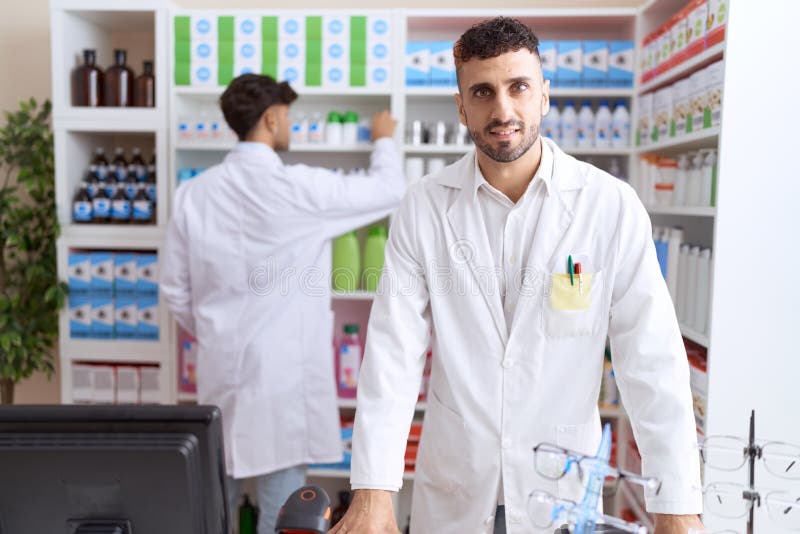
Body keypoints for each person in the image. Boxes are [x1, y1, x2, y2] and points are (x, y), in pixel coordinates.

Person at [331, 18, 704, 534]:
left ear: (544, 95)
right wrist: (372, 492)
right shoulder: (424, 206)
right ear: (461, 107)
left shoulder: (608, 206)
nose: (503, 110)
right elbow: (393, 353)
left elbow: (652, 362)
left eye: (519, 87)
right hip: (457, 483)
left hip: (561, 485)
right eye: (483, 91)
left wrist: (678, 506)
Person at [160, 73, 404, 534]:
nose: (289, 126)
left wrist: (217, 333)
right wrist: (383, 140)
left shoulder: (193, 194)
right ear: (272, 119)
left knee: (210, 514)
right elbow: (390, 190)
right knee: (285, 519)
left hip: (219, 374)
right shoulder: (301, 189)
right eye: (287, 117)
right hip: (282, 384)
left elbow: (174, 290)